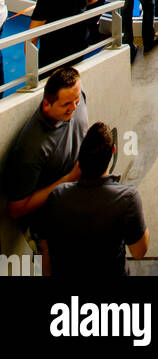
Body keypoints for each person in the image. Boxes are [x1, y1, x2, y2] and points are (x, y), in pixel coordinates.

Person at [35, 121, 148, 277]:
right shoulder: (128, 199)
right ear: (113, 151)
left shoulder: (57, 195)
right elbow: (139, 252)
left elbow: (45, 247)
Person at [3, 66, 87, 225]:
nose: (74, 108)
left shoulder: (77, 94)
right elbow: (15, 209)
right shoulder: (31, 147)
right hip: (50, 224)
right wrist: (69, 179)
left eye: (76, 100)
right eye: (66, 105)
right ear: (46, 105)